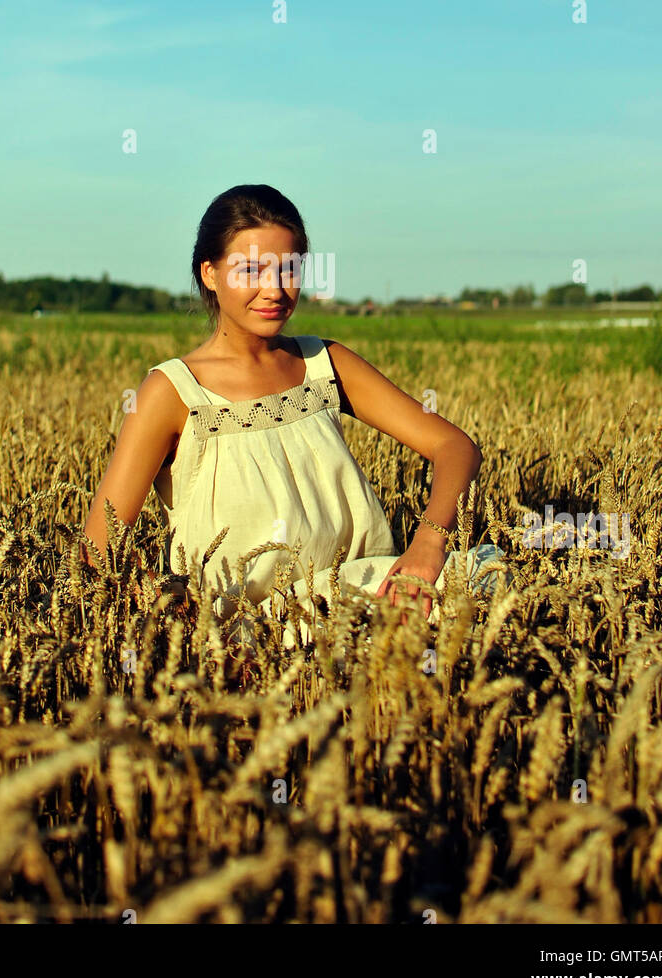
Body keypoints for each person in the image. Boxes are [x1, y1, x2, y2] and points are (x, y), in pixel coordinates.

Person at [82, 184, 508, 647]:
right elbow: (97, 547)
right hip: (253, 638)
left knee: (490, 574)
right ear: (210, 273)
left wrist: (428, 544)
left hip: (367, 599)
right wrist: (167, 617)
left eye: (290, 269)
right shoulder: (173, 392)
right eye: (251, 270)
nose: (275, 290)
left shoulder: (326, 364)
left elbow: (455, 447)